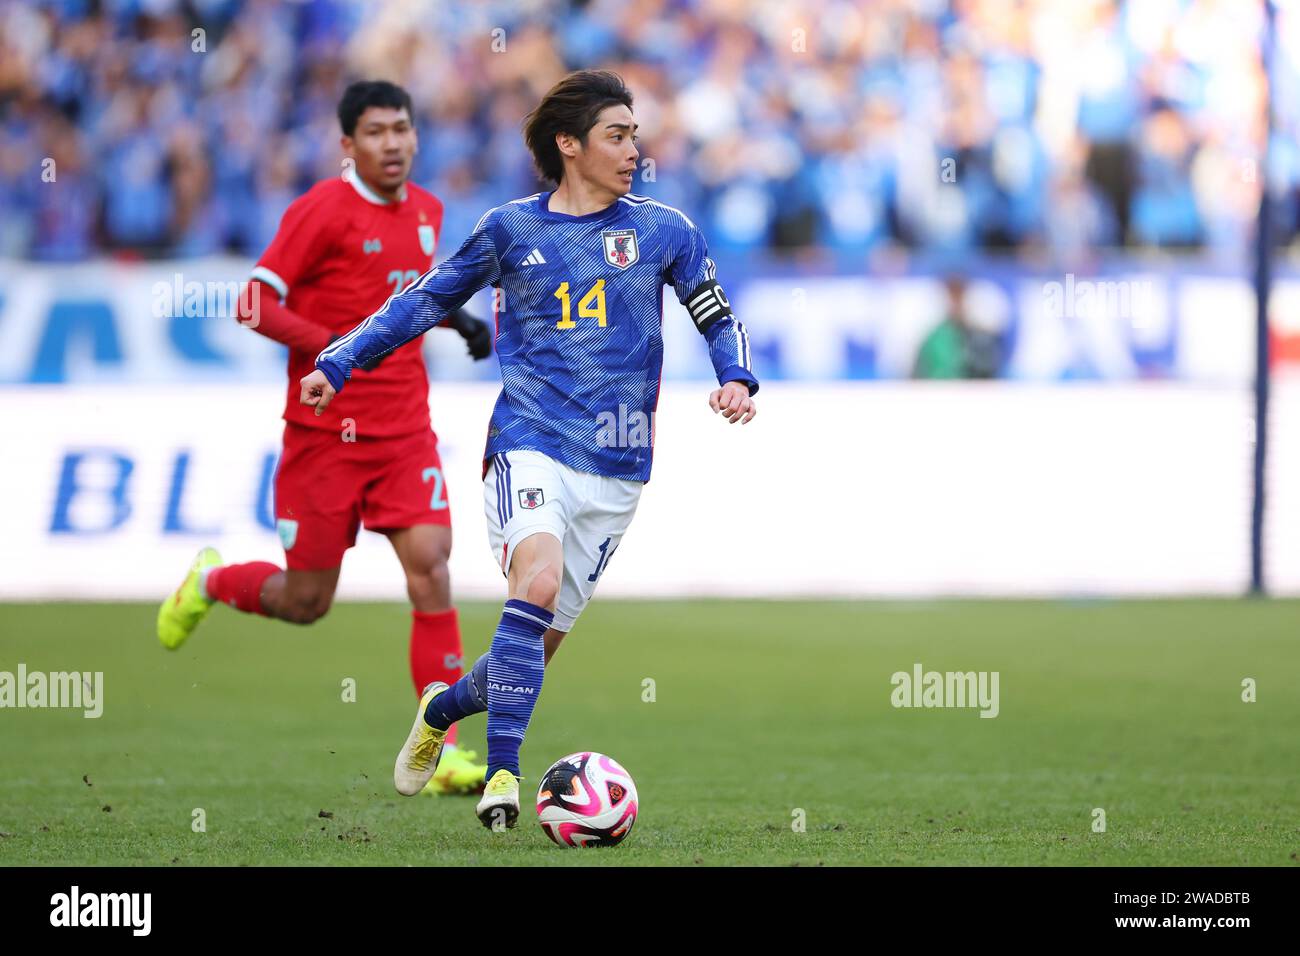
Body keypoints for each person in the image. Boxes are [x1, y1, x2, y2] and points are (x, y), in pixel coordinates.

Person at [302, 70, 759, 830]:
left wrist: (735, 376)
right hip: (530, 438)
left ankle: (443, 708)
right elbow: (425, 299)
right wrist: (338, 361)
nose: (633, 150)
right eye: (617, 136)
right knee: (536, 581)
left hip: (619, 465)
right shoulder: (511, 229)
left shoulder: (665, 230)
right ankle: (504, 777)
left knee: (529, 655)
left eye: (635, 135)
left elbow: (714, 310)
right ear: (569, 144)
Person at [157, 80, 492, 796]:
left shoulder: (429, 212)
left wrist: (455, 319)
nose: (393, 143)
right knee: (306, 601)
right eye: (375, 132)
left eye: (402, 128)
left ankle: (442, 751)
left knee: (431, 566)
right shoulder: (319, 212)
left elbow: (409, 293)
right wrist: (334, 344)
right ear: (347, 144)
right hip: (323, 436)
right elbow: (252, 300)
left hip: (404, 429)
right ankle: (211, 580)